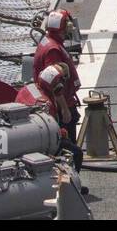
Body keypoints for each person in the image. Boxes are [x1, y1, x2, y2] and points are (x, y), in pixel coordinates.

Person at [34, 9, 83, 164]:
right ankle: (71, 181)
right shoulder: (53, 49)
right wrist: (64, 108)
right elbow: (53, 80)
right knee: (69, 150)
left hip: (62, 102)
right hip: (61, 105)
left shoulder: (48, 41)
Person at [15, 63, 82, 169]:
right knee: (77, 153)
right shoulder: (46, 105)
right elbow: (52, 133)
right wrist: (63, 133)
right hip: (41, 142)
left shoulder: (28, 88)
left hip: (22, 137)